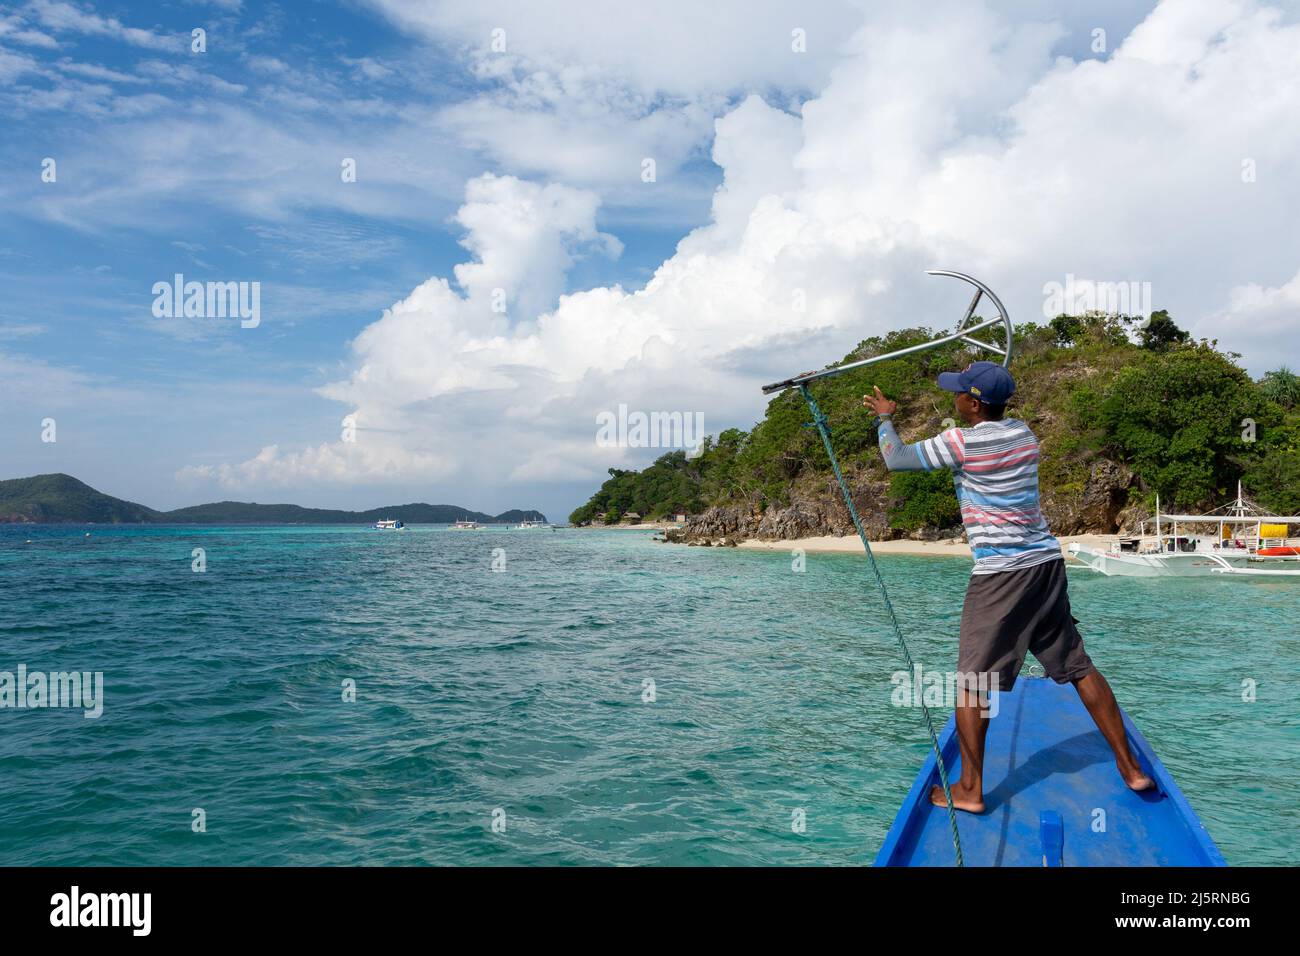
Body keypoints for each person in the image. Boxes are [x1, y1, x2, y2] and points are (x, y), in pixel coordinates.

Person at [863, 361, 1154, 813]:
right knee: (1077, 665)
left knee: (972, 682)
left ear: (974, 404)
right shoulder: (1023, 434)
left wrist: (886, 417)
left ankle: (970, 790)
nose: (953, 398)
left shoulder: (961, 442)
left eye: (959, 394)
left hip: (1001, 573)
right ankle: (1131, 768)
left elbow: (896, 459)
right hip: (1046, 565)